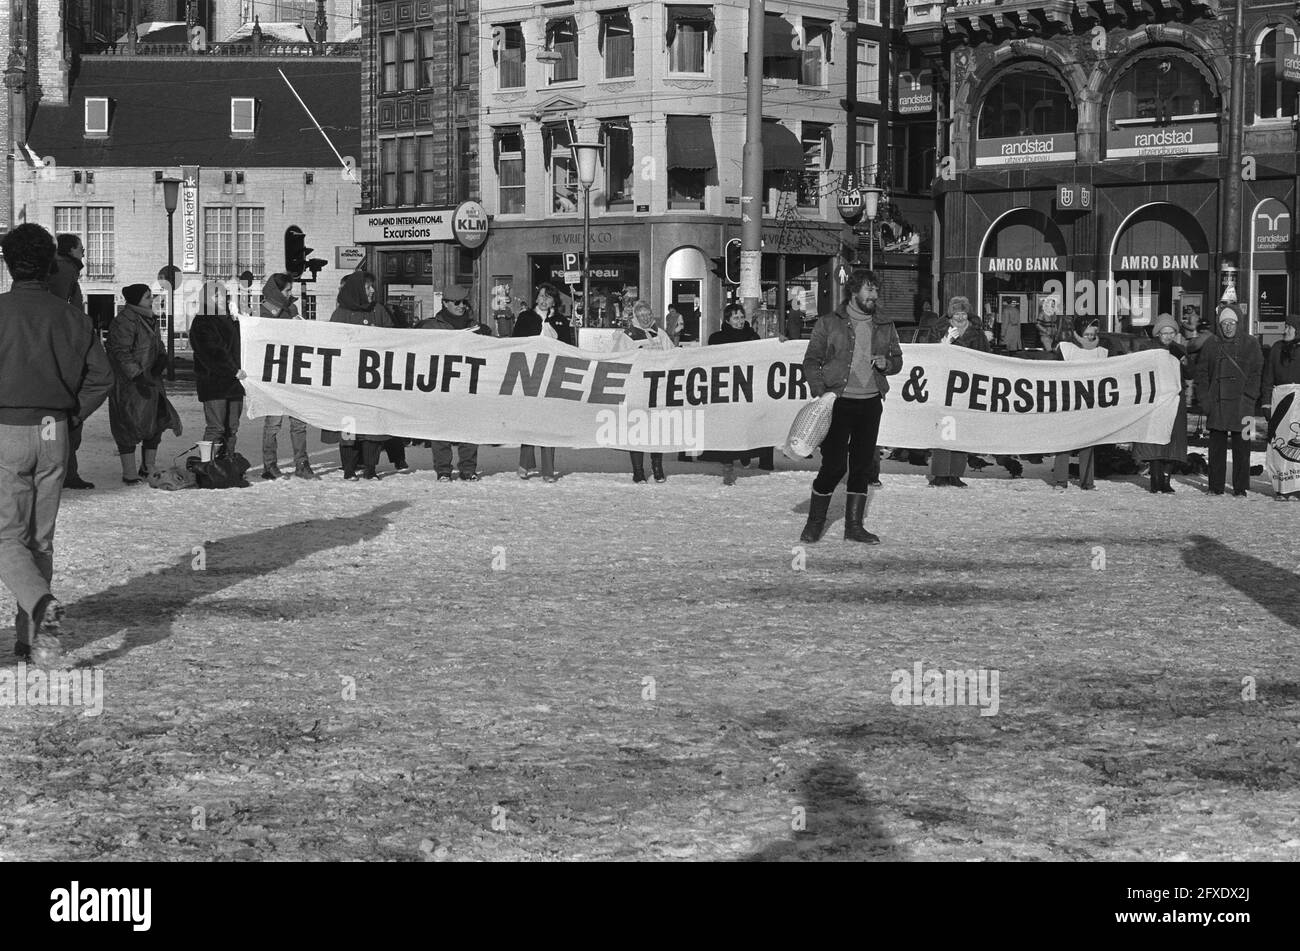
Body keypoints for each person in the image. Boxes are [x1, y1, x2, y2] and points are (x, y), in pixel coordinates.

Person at [0, 224, 112, 665]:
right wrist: (70, 415)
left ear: (7, 262)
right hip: (55, 432)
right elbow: (102, 377)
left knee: (6, 537)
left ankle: (40, 607)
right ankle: (32, 640)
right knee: (40, 541)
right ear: (50, 264)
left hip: (7, 429)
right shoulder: (73, 317)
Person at [798, 269, 903, 544]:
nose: (874, 295)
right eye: (869, 290)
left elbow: (897, 359)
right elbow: (811, 361)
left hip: (870, 404)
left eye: (876, 290)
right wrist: (822, 394)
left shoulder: (884, 324)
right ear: (854, 292)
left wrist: (887, 364)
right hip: (838, 402)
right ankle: (814, 522)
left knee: (862, 466)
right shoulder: (829, 323)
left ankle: (853, 526)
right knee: (833, 466)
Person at [107, 284, 181, 485]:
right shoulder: (125, 321)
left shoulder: (149, 318)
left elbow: (157, 344)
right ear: (136, 299)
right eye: (148, 296)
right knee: (128, 425)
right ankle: (129, 472)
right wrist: (137, 375)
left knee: (155, 423)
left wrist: (161, 359)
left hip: (151, 382)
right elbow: (121, 352)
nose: (151, 299)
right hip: (130, 385)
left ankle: (148, 466)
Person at [328, 271, 397, 480]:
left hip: (373, 381)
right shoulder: (340, 314)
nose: (373, 291)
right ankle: (348, 468)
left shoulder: (379, 311)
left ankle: (370, 468)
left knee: (372, 426)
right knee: (348, 425)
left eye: (372, 287)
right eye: (368, 287)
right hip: (348, 383)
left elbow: (395, 339)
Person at [418, 285, 490, 481]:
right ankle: (443, 469)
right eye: (456, 302)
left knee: (469, 428)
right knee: (441, 428)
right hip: (440, 385)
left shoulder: (477, 328)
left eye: (464, 302)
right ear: (445, 303)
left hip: (467, 385)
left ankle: (468, 469)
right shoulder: (429, 327)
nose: (461, 306)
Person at [1195, 304, 1263, 496]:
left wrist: (1250, 395)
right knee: (1216, 450)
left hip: (1244, 405)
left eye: (1232, 323)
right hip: (1217, 404)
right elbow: (1201, 375)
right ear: (1219, 324)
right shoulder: (1211, 344)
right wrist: (1205, 400)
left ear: (1238, 323)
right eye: (1224, 323)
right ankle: (1215, 486)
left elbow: (1257, 371)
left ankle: (1241, 488)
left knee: (1243, 449)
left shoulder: (1251, 344)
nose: (1228, 327)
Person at [47, 234, 94, 490]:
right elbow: (61, 308)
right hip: (66, 349)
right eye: (80, 247)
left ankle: (67, 473)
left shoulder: (65, 269)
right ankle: (65, 474)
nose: (84, 251)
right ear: (71, 250)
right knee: (68, 416)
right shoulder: (64, 270)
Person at [925, 297, 989, 487]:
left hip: (968, 386)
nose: (960, 317)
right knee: (943, 430)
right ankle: (940, 473)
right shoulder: (938, 330)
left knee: (960, 431)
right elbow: (929, 353)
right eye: (957, 313)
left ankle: (955, 473)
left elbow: (986, 358)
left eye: (963, 313)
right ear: (950, 314)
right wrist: (944, 343)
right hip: (944, 385)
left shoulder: (977, 334)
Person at [258, 274, 315, 480]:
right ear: (276, 291)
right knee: (273, 423)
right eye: (287, 291)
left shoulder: (292, 309)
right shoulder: (265, 311)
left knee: (299, 421)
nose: (290, 294)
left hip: (295, 370)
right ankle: (270, 465)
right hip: (274, 372)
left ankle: (302, 462)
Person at [615, 301, 675, 484]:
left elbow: (673, 355)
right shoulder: (628, 336)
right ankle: (638, 471)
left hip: (657, 388)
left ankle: (657, 468)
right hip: (638, 388)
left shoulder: (660, 333)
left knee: (657, 429)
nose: (645, 318)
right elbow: (618, 358)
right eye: (641, 316)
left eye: (648, 314)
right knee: (637, 429)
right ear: (635, 317)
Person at [1049, 316, 1109, 490]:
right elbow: (1053, 371)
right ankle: (1061, 479)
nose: (1091, 336)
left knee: (1088, 442)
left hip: (1090, 401)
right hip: (1068, 400)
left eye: (1094, 333)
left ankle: (1087, 480)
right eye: (1088, 333)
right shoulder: (1067, 349)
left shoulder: (1102, 352)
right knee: (1064, 441)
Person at [1132, 313, 1189, 494]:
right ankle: (1156, 479)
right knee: (1156, 441)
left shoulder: (1179, 350)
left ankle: (1166, 478)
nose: (1168, 336)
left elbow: (1191, 373)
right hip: (1157, 402)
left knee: (1172, 441)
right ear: (1158, 333)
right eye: (1164, 332)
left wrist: (1185, 362)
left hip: (1174, 402)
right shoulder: (1149, 350)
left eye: (1171, 332)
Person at [511, 283, 563, 481]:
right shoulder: (525, 317)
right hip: (528, 374)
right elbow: (515, 343)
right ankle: (525, 463)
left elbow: (569, 347)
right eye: (541, 296)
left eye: (548, 297)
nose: (544, 300)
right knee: (529, 419)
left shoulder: (560, 320)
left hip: (552, 374)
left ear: (553, 301)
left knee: (549, 422)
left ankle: (548, 469)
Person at [189, 281, 245, 461]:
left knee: (232, 427)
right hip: (214, 382)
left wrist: (241, 322)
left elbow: (239, 346)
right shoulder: (202, 322)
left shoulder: (230, 319)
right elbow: (213, 352)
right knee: (216, 427)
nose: (222, 298)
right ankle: (207, 465)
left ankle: (226, 463)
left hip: (234, 383)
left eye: (223, 294)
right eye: (217, 295)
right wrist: (233, 370)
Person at [709, 303, 761, 486]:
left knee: (745, 425)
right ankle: (728, 467)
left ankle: (745, 454)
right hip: (726, 390)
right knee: (727, 429)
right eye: (735, 318)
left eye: (741, 317)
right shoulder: (717, 339)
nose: (739, 321)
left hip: (746, 390)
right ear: (728, 320)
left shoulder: (753, 337)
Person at [1262, 314, 1300, 500]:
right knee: (1279, 443)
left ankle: (1297, 488)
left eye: (1289, 327)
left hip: (1299, 401)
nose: (1285, 330)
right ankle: (1282, 487)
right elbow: (1268, 376)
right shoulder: (1277, 348)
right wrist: (1266, 402)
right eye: (1285, 327)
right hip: (1280, 400)